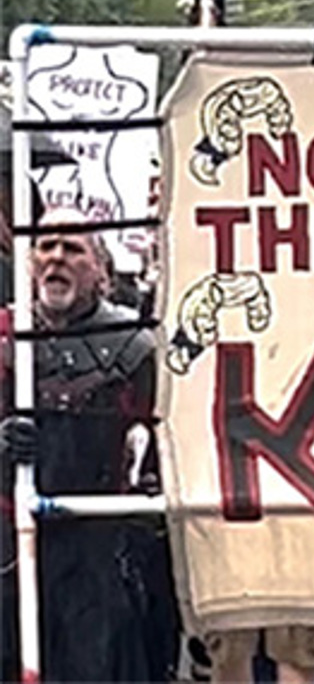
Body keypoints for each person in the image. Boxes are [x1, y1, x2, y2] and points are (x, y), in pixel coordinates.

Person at [4, 209, 178, 683]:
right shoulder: (4, 337)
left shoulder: (137, 348)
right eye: (46, 246)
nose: (56, 258)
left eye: (73, 248)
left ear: (100, 269)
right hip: (15, 547)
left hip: (99, 551)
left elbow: (164, 445)